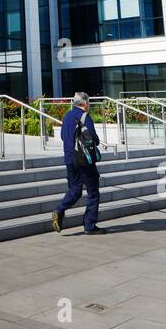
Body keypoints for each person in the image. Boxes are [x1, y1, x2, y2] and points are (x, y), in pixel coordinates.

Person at [50, 91, 104, 235]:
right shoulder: (85, 116)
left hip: (69, 159)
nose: (89, 105)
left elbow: (63, 136)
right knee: (93, 192)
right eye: (89, 102)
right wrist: (97, 141)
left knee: (75, 190)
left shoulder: (67, 116)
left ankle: (59, 210)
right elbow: (91, 137)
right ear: (85, 103)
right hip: (84, 161)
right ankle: (89, 225)